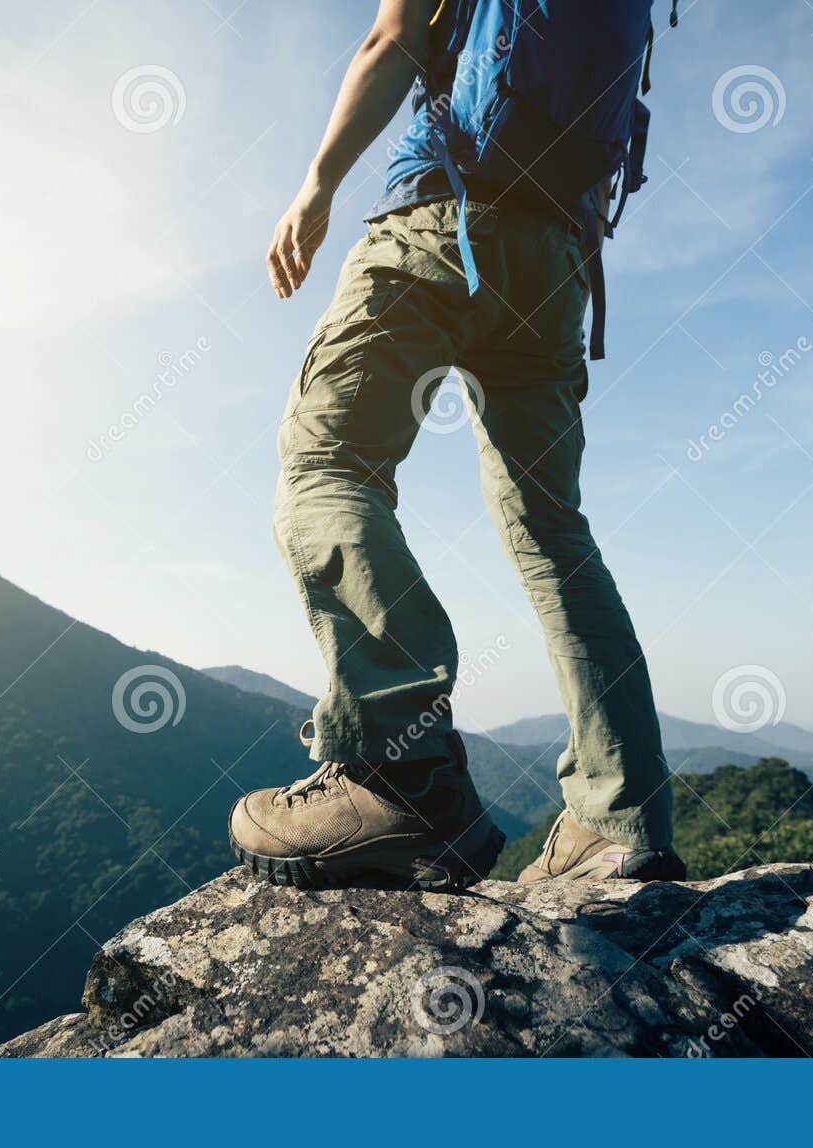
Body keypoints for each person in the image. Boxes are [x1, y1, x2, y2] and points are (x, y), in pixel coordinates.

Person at [229, 0, 684, 890]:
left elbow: (391, 38)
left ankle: (402, 775)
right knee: (554, 533)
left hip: (437, 218)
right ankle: (622, 821)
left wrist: (317, 182)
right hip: (557, 263)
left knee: (327, 467)